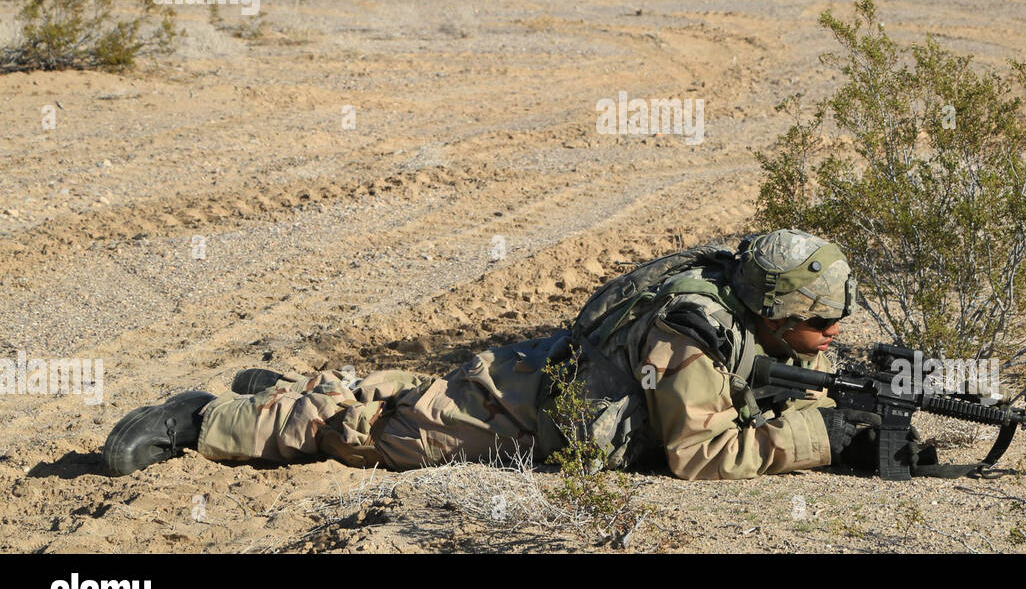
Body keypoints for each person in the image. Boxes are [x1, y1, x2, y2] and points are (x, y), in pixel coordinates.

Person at [104, 229, 881, 480]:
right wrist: (823, 439)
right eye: (821, 324)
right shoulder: (694, 333)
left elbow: (763, 389)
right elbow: (699, 454)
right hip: (530, 411)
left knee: (428, 389)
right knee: (386, 433)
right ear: (773, 312)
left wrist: (852, 409)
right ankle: (206, 418)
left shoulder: (741, 306)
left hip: (549, 380)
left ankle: (283, 384)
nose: (835, 335)